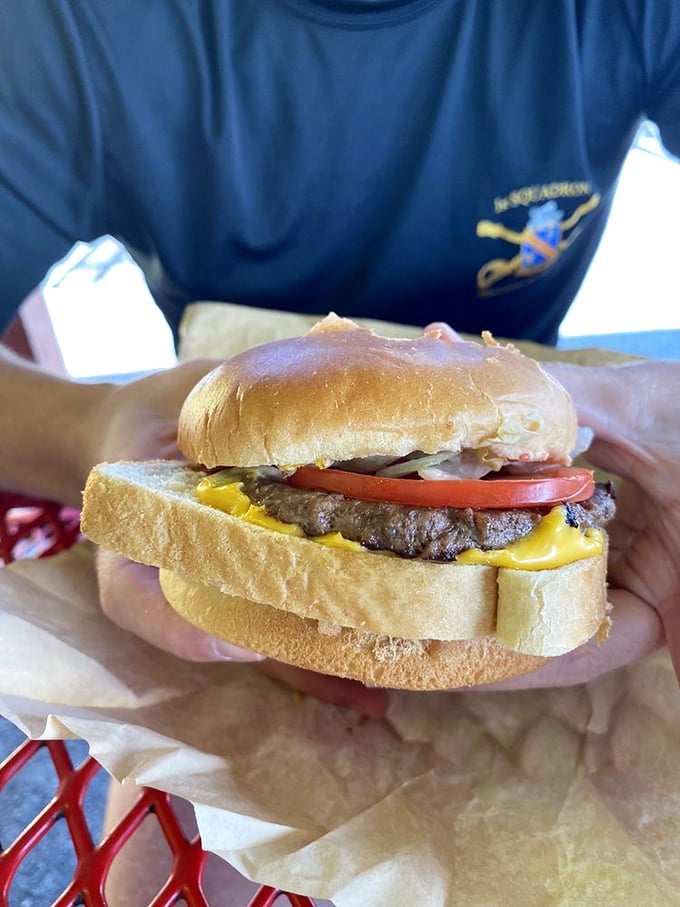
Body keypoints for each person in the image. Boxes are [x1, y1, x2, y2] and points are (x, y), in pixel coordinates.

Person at [0, 1, 678, 900]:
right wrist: (96, 426)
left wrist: (647, 405)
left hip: (563, 519)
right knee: (152, 878)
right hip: (217, 560)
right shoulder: (75, 25)